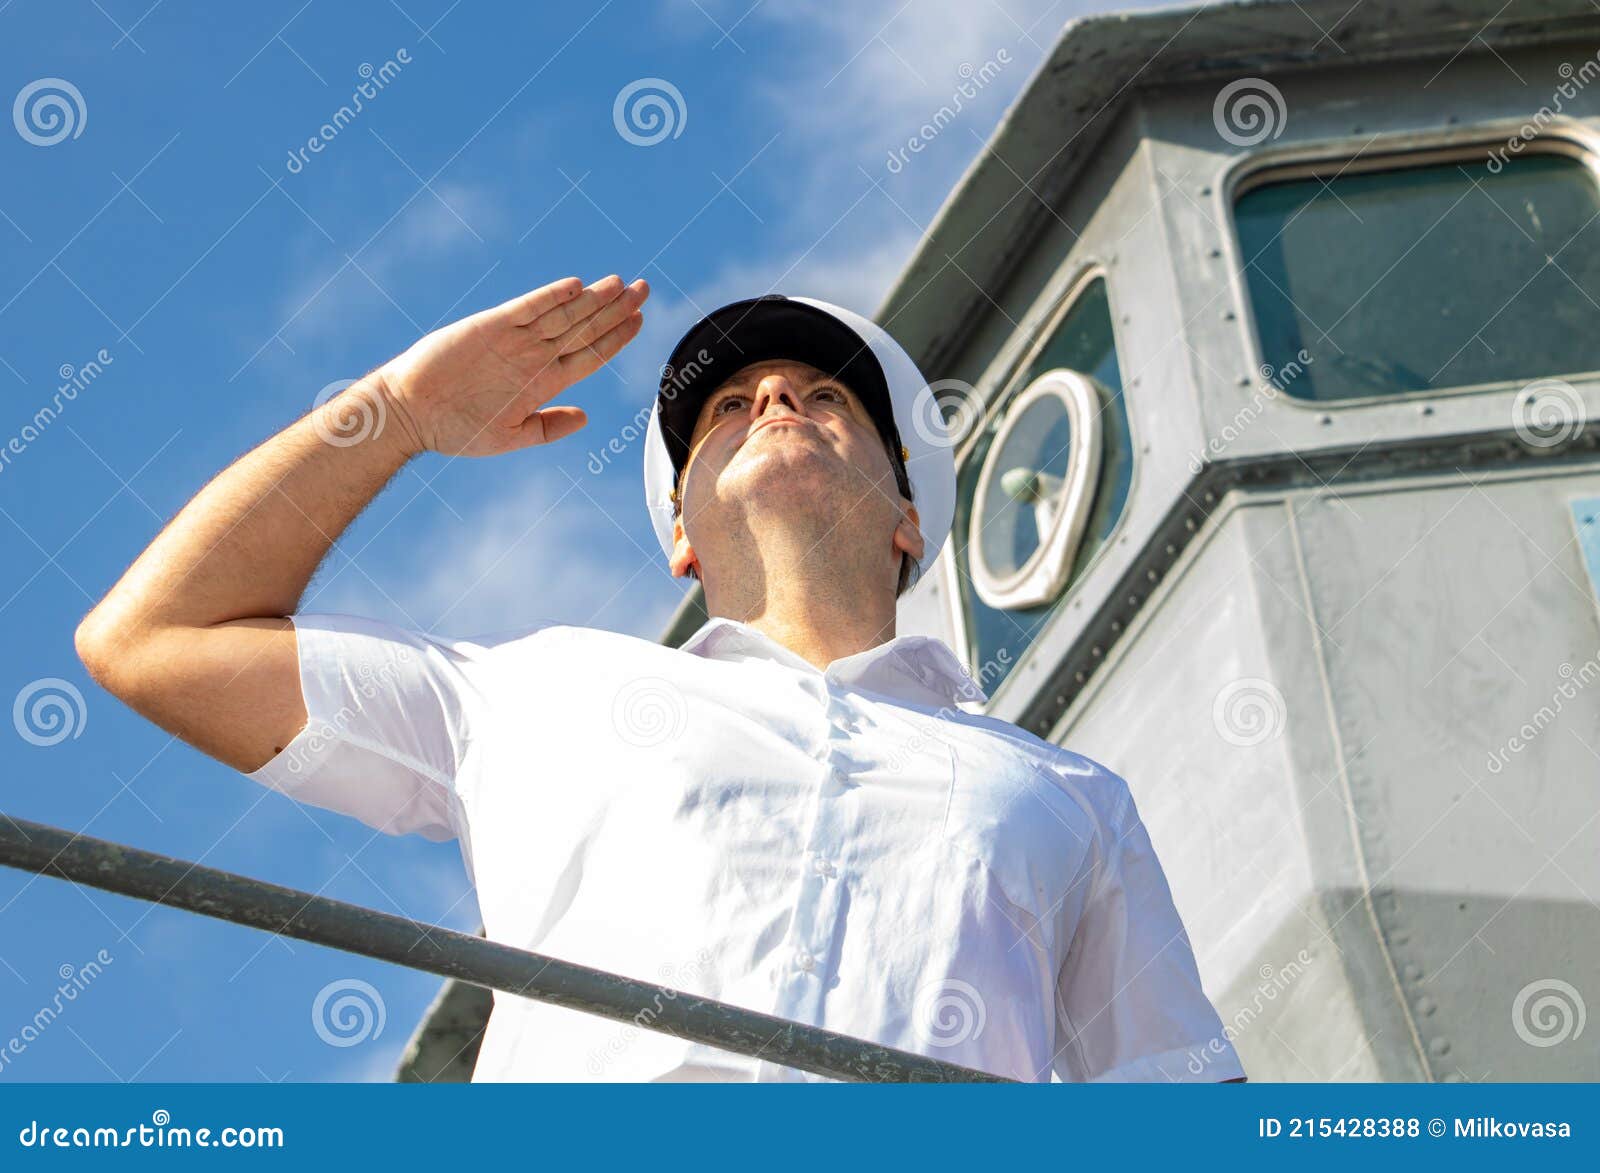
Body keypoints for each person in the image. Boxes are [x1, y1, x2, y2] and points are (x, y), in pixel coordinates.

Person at [75, 274, 1244, 1083]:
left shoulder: (1072, 797)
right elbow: (155, 642)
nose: (776, 401)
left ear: (906, 513)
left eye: (825, 395)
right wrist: (392, 414)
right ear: (681, 534)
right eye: (728, 408)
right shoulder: (534, 693)